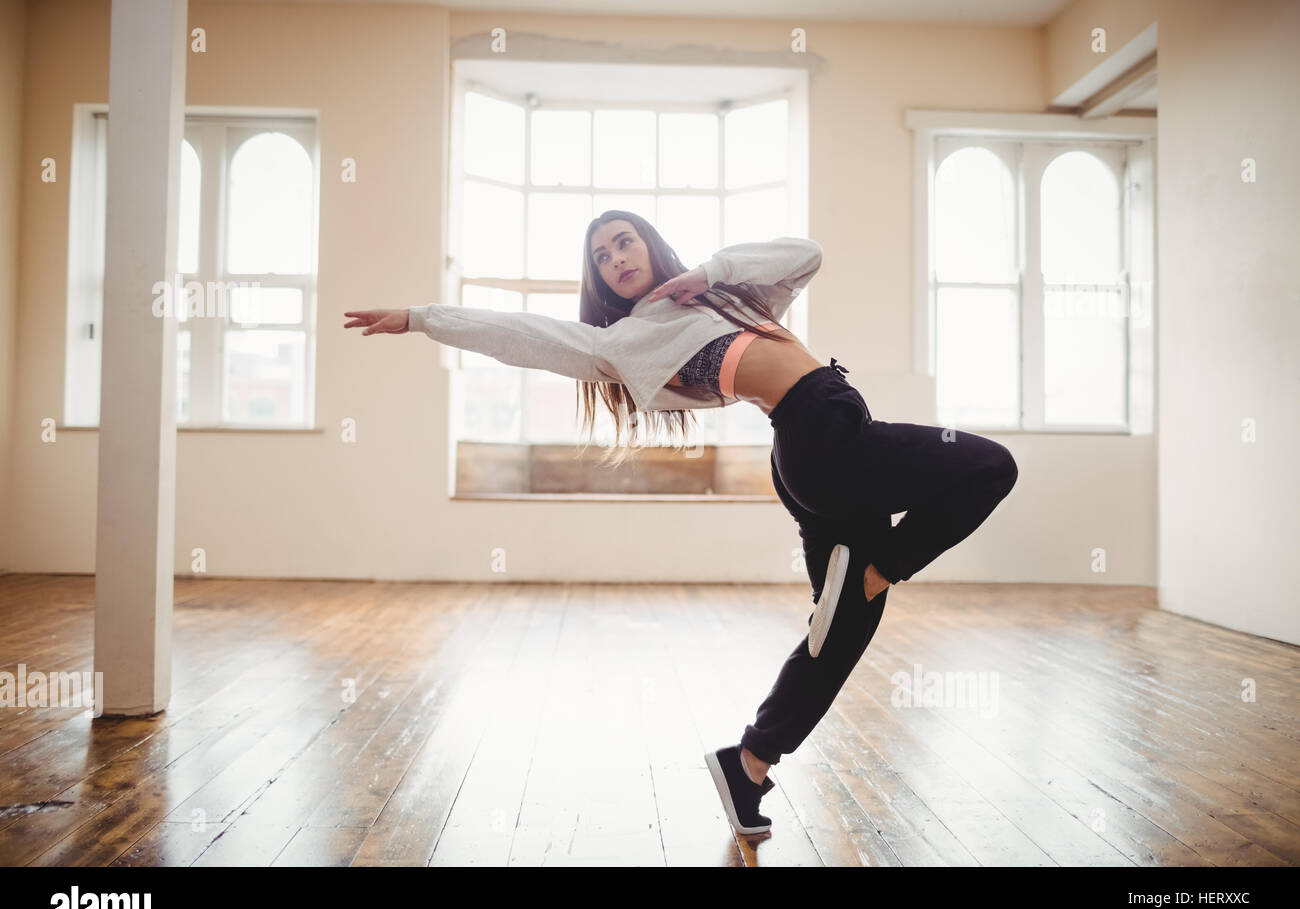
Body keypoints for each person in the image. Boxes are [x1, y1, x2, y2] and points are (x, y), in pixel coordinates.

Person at [344, 209, 1018, 837]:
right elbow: (520, 336)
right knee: (989, 465)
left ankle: (749, 763)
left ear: (649, 242)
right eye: (602, 256)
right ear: (600, 279)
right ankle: (877, 569)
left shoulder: (726, 296)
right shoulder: (623, 341)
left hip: (814, 448)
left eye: (623, 242)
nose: (614, 258)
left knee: (837, 636)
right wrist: (420, 318)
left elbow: (805, 256)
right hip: (823, 433)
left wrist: (711, 272)